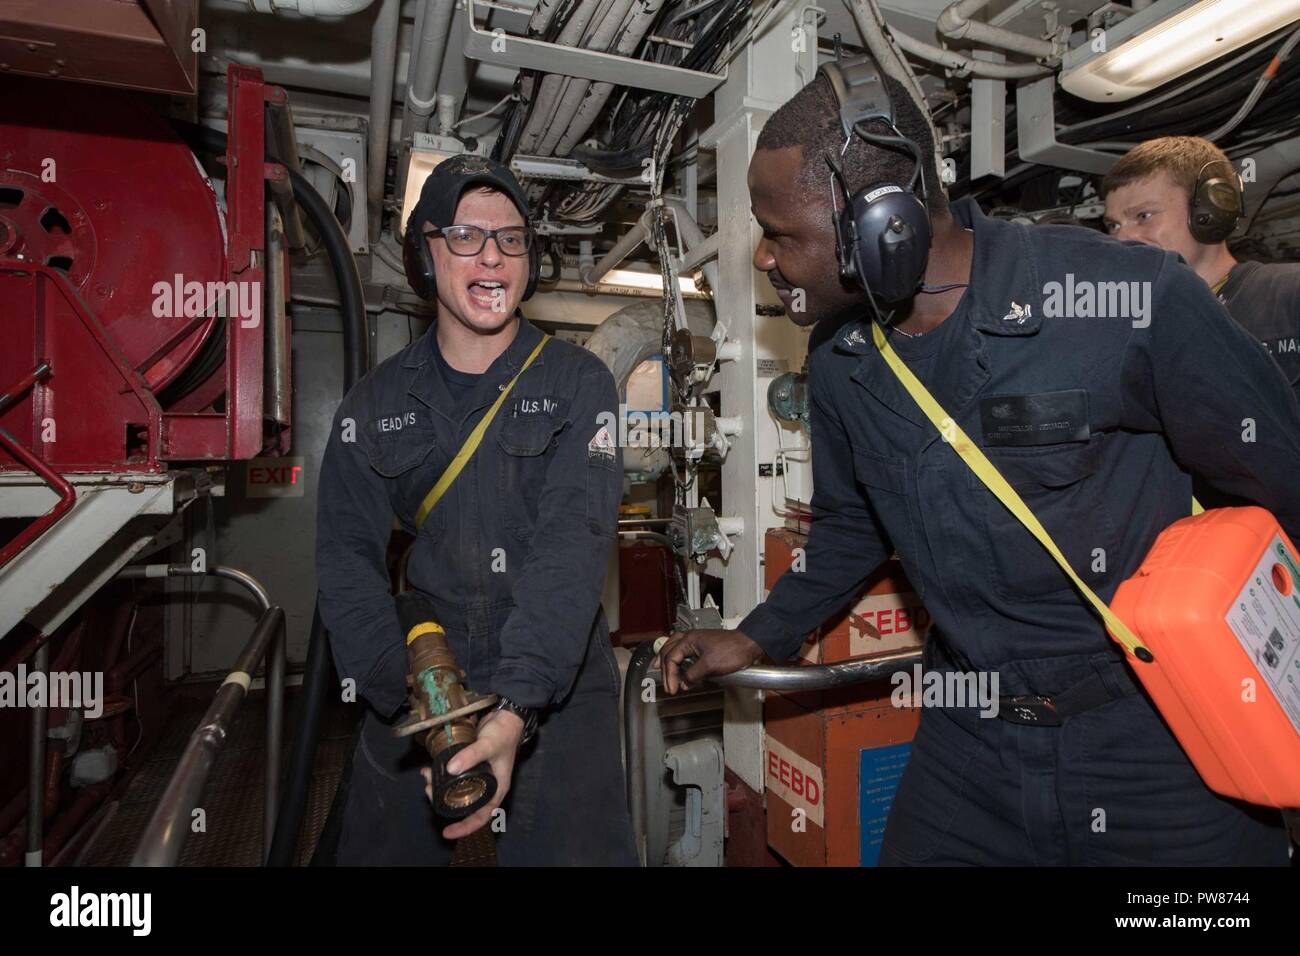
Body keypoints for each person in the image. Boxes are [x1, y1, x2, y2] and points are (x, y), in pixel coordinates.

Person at [656, 60, 1298, 865]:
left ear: (880, 220)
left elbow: (1278, 478)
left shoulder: (1128, 300)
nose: (764, 259)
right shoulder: (843, 356)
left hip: (1155, 737)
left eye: (781, 233)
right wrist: (756, 636)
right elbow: (854, 525)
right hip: (971, 742)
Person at [315, 154, 636, 865]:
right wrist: (408, 705)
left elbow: (570, 549)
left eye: (511, 238)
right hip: (424, 662)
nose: (492, 256)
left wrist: (519, 706)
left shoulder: (579, 384)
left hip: (558, 667)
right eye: (464, 236)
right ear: (424, 256)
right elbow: (347, 561)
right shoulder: (374, 405)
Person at [1102, 135, 1300, 402]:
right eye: (1113, 226)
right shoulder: (1130, 331)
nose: (1121, 240)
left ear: (1209, 211)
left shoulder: (1288, 293)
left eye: (1143, 216)